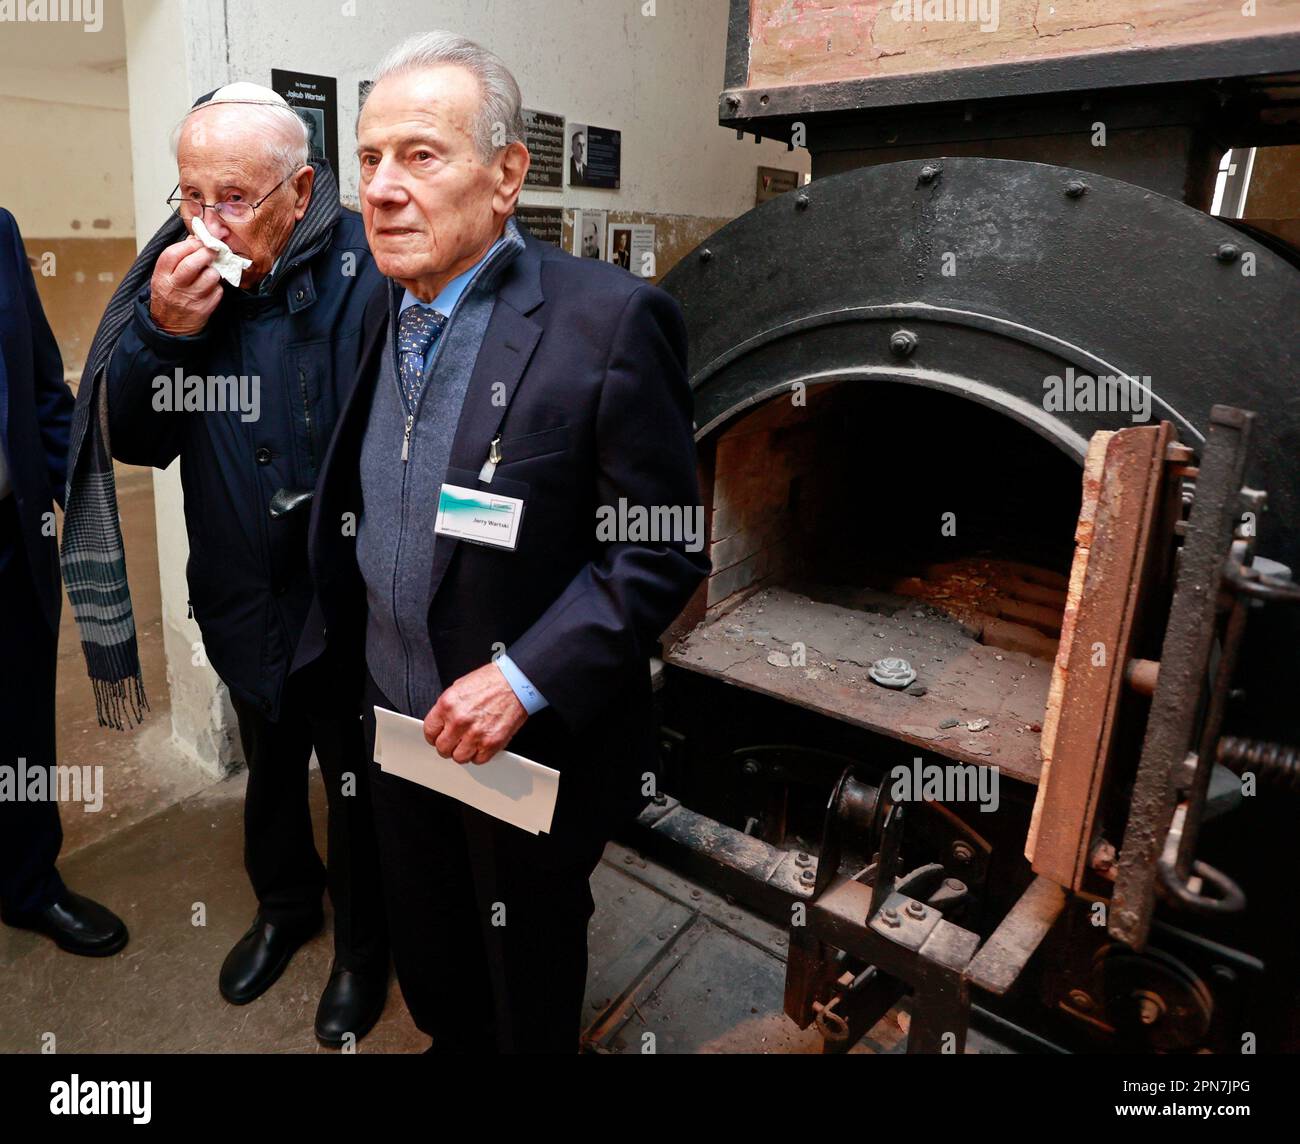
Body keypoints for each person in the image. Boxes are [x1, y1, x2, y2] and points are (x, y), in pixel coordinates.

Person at [305, 31, 708, 1054]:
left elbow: (658, 549)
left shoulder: (608, 323)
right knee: (433, 943)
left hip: (521, 739)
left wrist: (522, 679)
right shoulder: (378, 311)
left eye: (422, 155)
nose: (385, 189)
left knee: (523, 952)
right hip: (395, 719)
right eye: (370, 158)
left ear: (507, 175)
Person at [63, 83, 388, 1046]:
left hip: (352, 604)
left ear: (302, 189)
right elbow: (139, 440)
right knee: (272, 772)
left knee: (362, 789)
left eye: (233, 199)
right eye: (189, 194)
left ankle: (365, 951)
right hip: (242, 593)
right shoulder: (172, 278)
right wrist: (165, 331)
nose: (204, 222)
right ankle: (286, 909)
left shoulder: (371, 271)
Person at [0, 207, 129, 957]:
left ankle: (27, 886)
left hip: (10, 542)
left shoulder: (1, 231)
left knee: (17, 724)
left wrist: (78, 501)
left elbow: (43, 386)